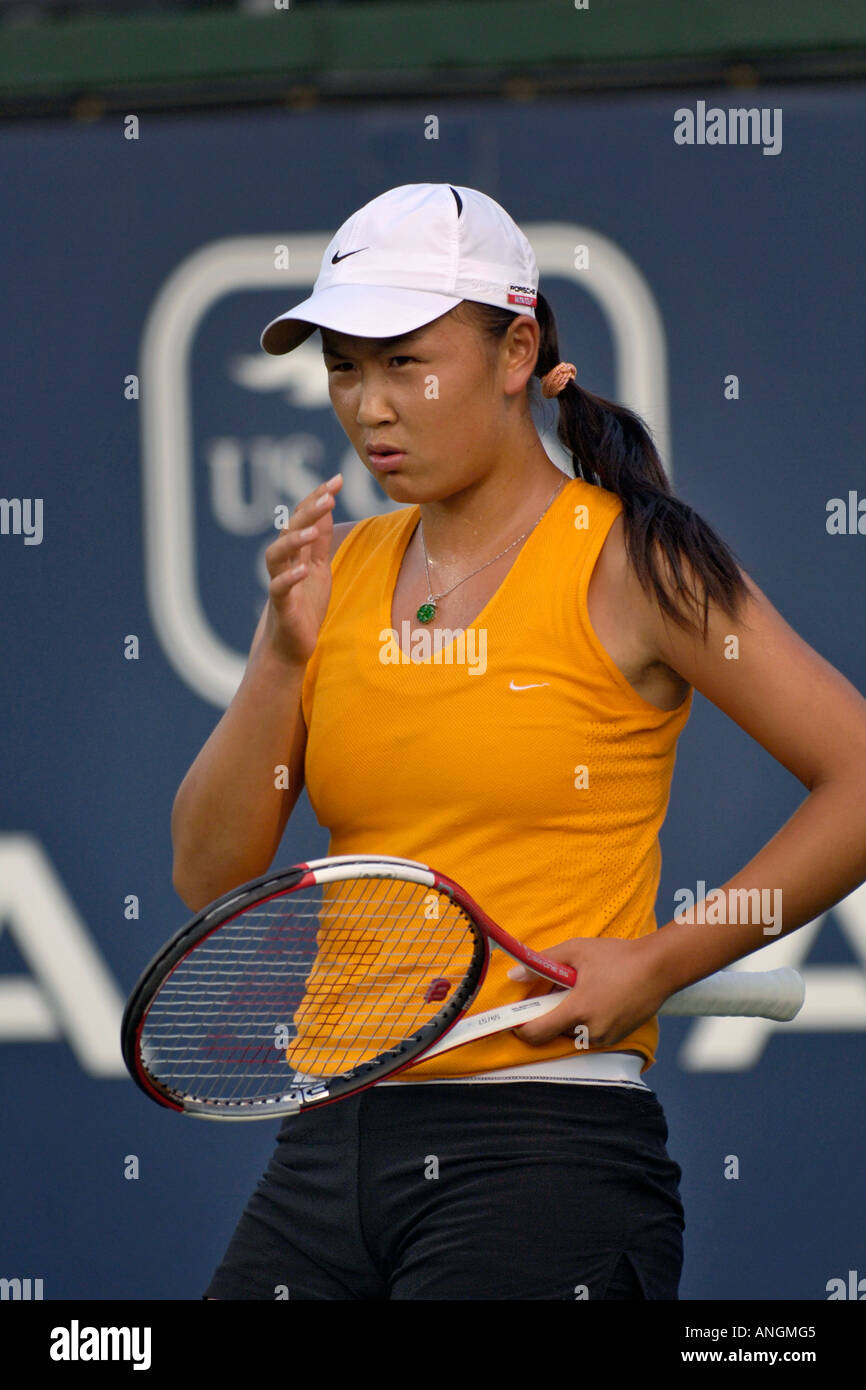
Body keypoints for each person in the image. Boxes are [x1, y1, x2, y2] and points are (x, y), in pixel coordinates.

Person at [172, 183, 866, 1300]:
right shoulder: (336, 574)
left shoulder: (633, 561)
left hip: (541, 1157)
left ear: (514, 352)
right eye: (344, 366)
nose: (367, 406)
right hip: (324, 1150)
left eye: (405, 361)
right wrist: (280, 657)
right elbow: (208, 874)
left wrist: (657, 962)